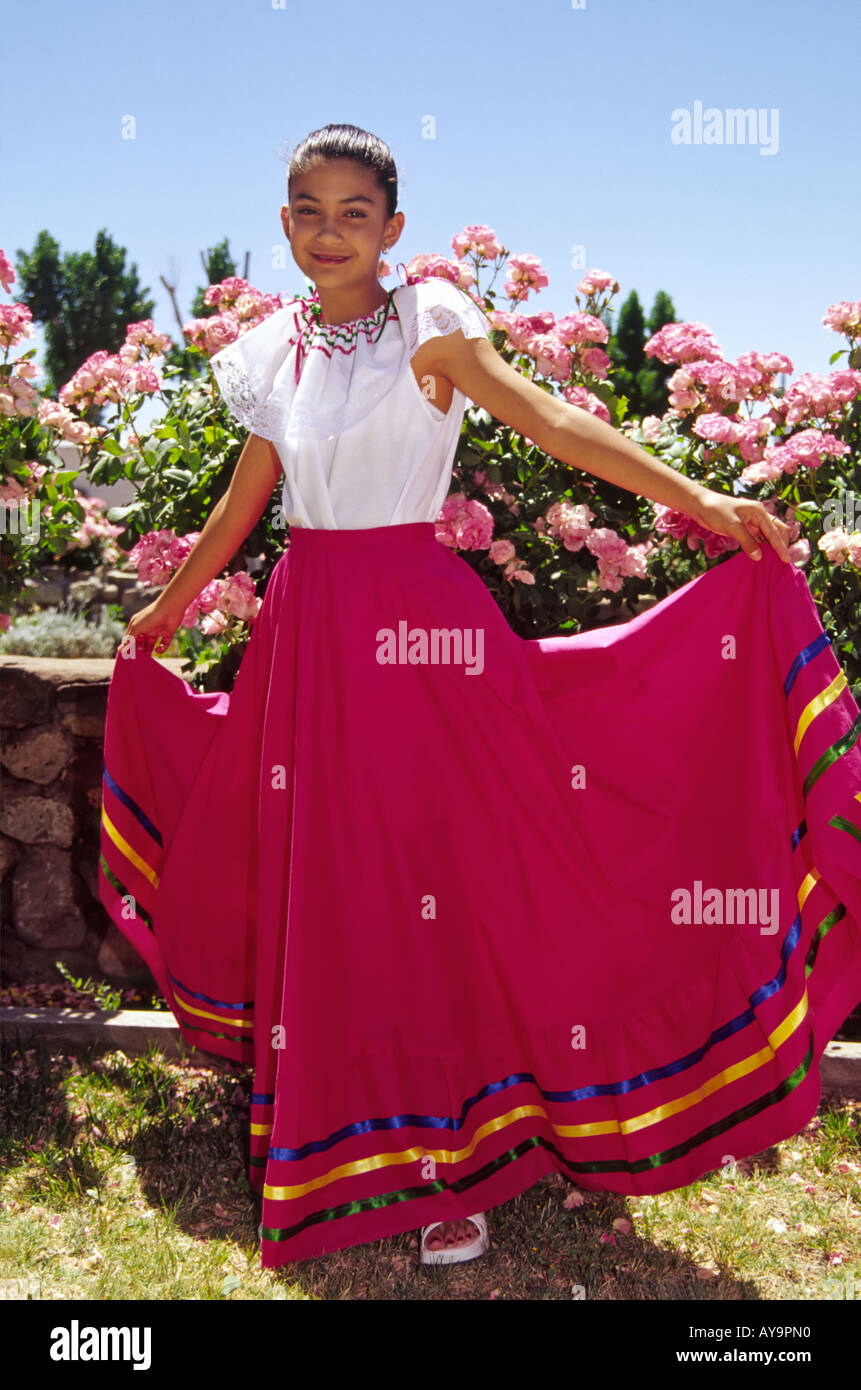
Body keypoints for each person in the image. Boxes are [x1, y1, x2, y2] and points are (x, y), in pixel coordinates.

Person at [100, 123, 861, 1271]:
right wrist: (170, 609)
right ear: (284, 223)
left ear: (393, 230)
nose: (330, 231)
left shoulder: (434, 325)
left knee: (439, 885)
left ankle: (455, 1161)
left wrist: (708, 501)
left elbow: (556, 426)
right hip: (307, 641)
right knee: (338, 879)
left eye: (356, 212)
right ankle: (341, 1125)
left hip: (422, 645)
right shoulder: (275, 355)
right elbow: (246, 503)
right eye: (308, 209)